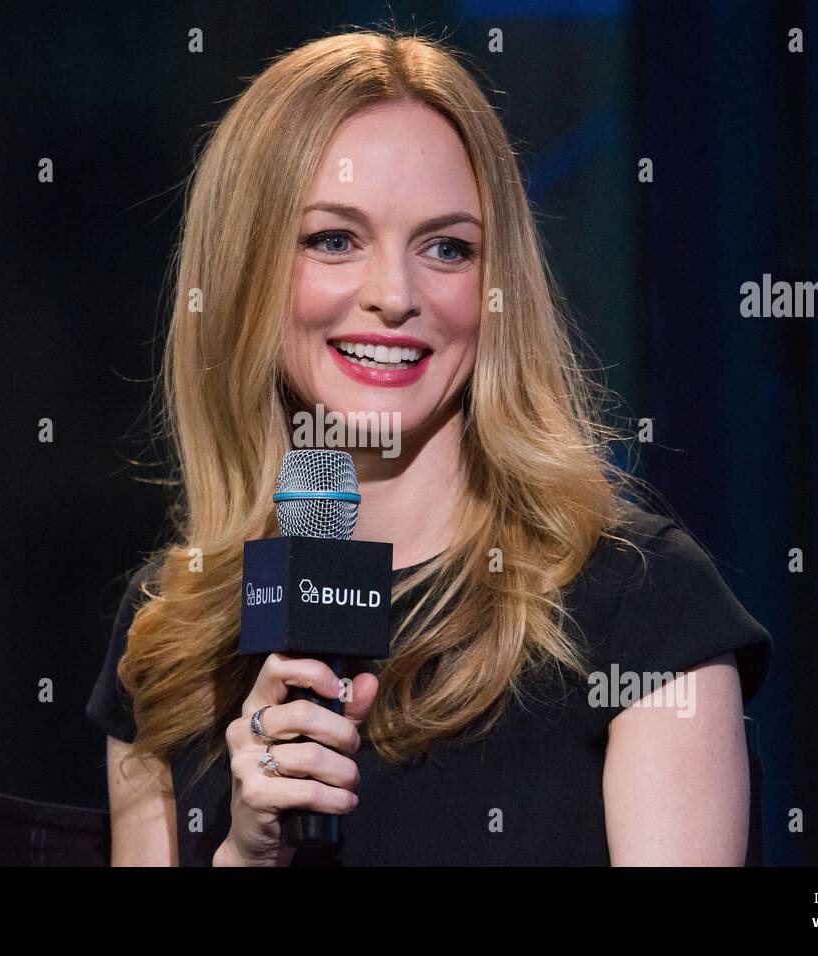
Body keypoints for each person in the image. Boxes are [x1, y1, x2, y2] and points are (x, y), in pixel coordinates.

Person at [86, 28, 771, 866]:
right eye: (334, 239)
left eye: (447, 248)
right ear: (243, 269)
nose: (394, 296)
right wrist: (245, 856)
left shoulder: (639, 607)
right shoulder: (172, 634)